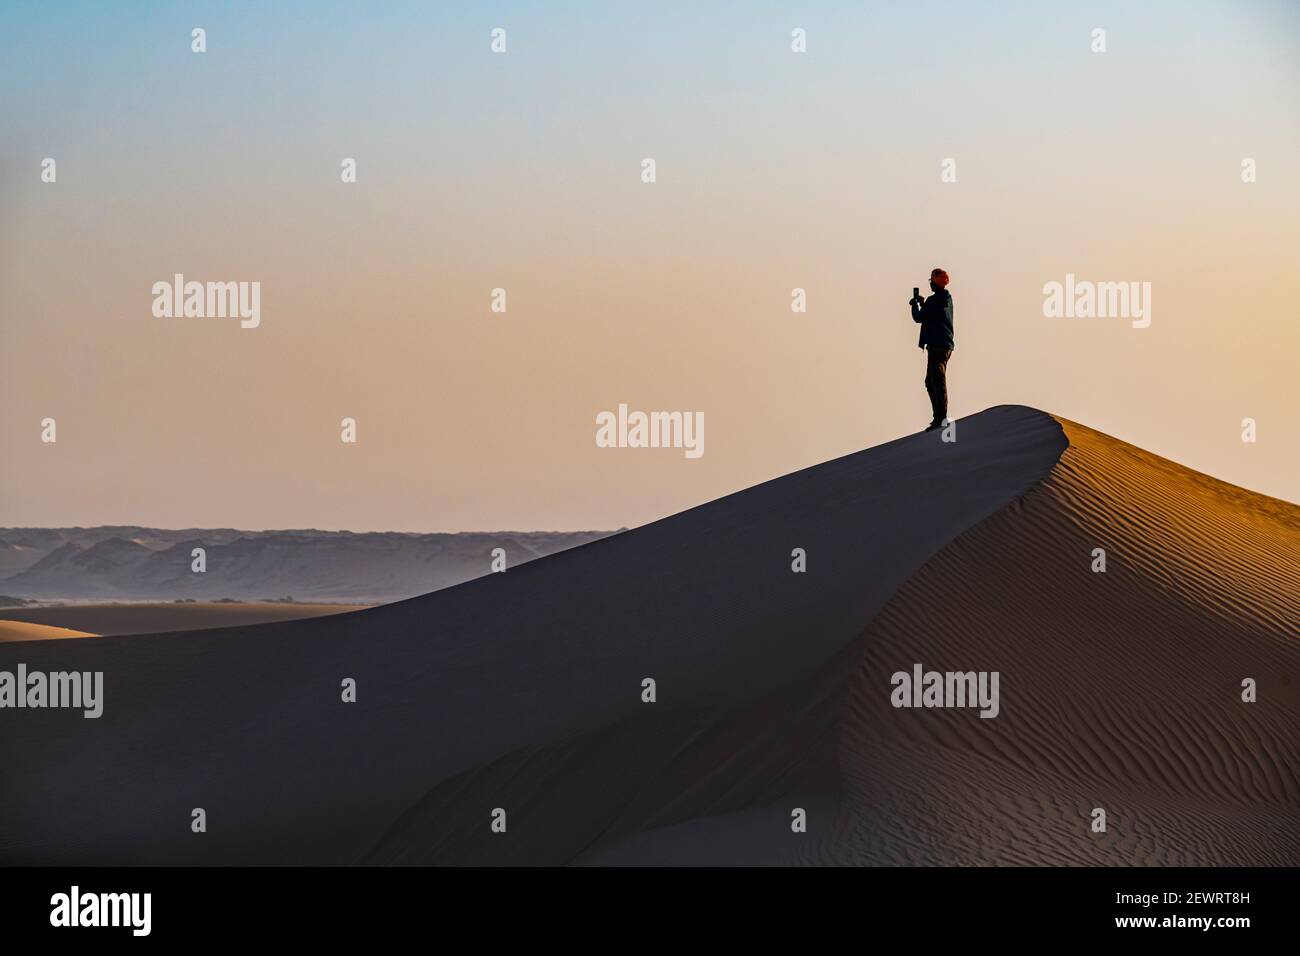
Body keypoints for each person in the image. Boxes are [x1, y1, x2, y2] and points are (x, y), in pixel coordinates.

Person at [910, 268, 954, 431]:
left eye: (931, 282)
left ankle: (940, 418)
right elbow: (934, 313)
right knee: (932, 380)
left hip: (937, 345)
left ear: (935, 284)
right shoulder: (946, 299)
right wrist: (923, 303)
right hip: (945, 344)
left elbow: (919, 318)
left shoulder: (934, 301)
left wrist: (915, 305)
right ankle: (938, 417)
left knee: (936, 380)